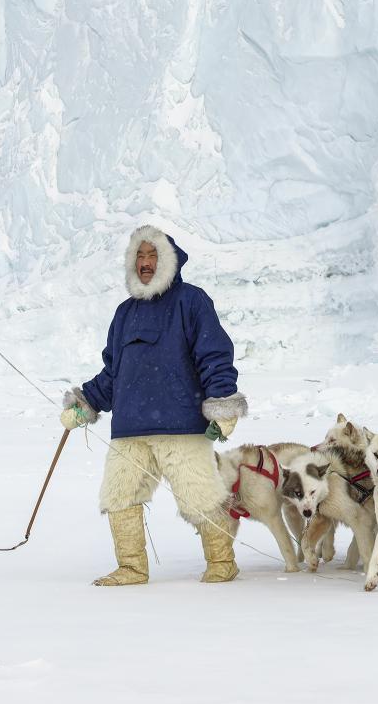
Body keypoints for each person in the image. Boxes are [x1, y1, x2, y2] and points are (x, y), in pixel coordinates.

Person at [60, 223, 247, 585]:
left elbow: (214, 355)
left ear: (168, 262)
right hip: (130, 429)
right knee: (117, 495)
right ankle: (131, 568)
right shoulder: (124, 313)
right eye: (139, 256)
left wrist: (223, 404)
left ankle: (222, 562)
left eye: (152, 255)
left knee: (200, 497)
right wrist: (85, 404)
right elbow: (113, 373)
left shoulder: (192, 302)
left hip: (182, 425)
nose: (145, 263)